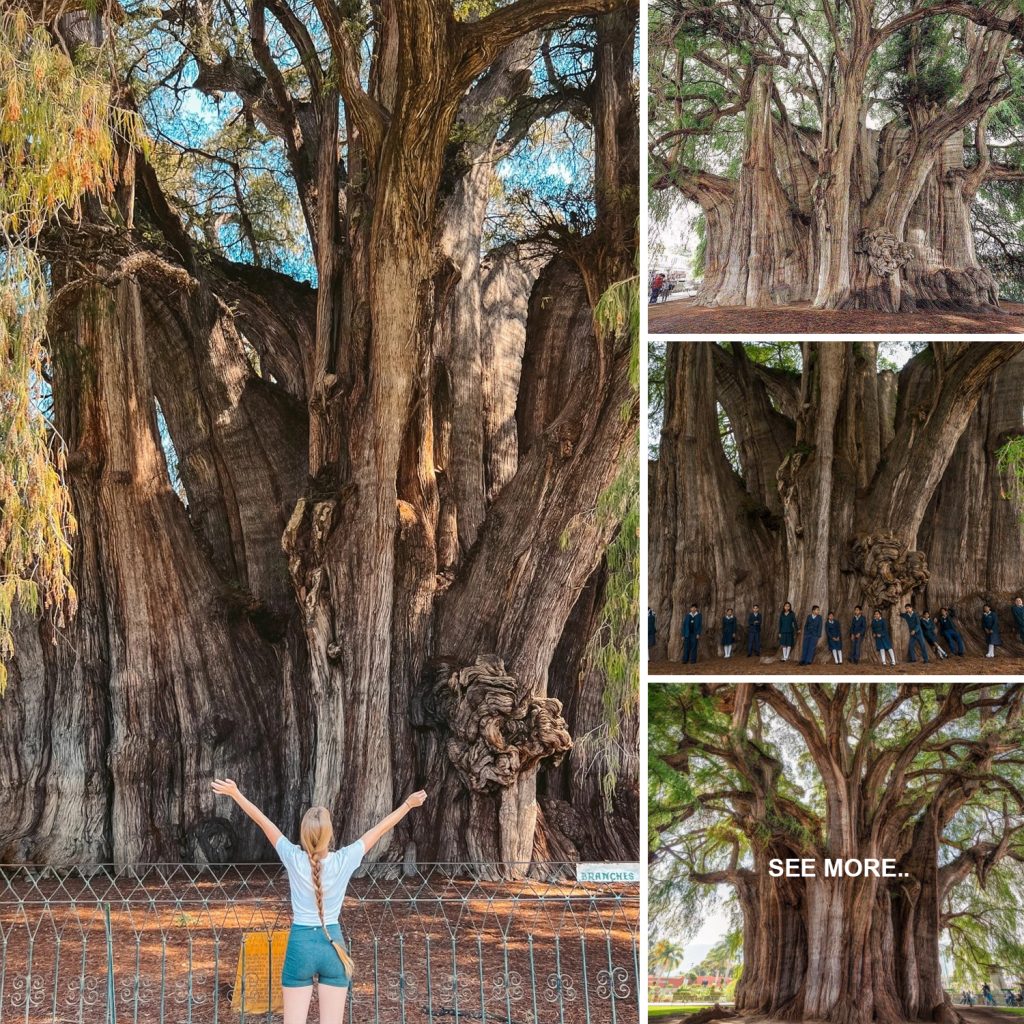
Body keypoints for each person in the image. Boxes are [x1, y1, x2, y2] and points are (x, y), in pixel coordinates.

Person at [212, 778, 428, 1024]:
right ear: (330, 835)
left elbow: (263, 821)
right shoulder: (345, 859)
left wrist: (236, 794)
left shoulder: (293, 857)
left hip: (300, 947)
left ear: (304, 835)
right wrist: (408, 805)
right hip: (333, 945)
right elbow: (378, 830)